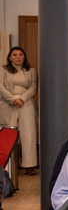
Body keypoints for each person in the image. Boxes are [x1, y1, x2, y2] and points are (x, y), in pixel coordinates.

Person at [1, 46, 38, 174]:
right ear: (10, 58)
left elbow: (33, 87)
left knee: (29, 135)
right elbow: (0, 87)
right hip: (8, 103)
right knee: (9, 134)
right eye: (15, 55)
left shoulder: (30, 71)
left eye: (20, 54)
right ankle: (8, 165)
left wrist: (22, 99)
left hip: (26, 103)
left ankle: (29, 165)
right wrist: (13, 99)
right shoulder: (3, 70)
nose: (18, 57)